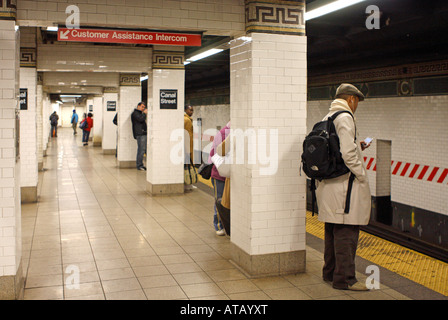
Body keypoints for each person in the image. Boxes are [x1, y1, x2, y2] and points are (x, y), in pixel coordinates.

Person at [315, 83, 372, 291]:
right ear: (351, 99)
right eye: (357, 102)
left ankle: (329, 273)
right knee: (347, 232)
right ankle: (346, 280)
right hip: (344, 188)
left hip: (329, 186)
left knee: (332, 230)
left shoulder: (327, 118)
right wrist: (361, 174)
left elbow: (339, 149)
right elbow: (347, 154)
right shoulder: (345, 117)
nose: (356, 106)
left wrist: (359, 146)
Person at [209, 122, 230, 236]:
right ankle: (218, 225)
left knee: (227, 201)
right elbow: (213, 154)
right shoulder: (222, 134)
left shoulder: (237, 133)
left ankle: (227, 225)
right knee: (219, 200)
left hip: (229, 176)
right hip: (219, 176)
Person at [131, 102, 147, 171]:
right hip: (140, 134)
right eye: (142, 107)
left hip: (142, 133)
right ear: (138, 106)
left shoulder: (138, 113)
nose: (143, 108)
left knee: (142, 150)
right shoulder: (135, 113)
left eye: (144, 107)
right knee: (141, 150)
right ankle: (139, 165)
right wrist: (144, 114)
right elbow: (140, 119)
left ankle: (140, 164)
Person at [184, 105, 196, 192]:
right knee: (188, 165)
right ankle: (188, 184)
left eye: (192, 110)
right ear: (186, 110)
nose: (191, 112)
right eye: (190, 110)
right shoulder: (186, 120)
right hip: (187, 146)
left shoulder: (187, 119)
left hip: (188, 145)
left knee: (188, 165)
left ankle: (188, 183)